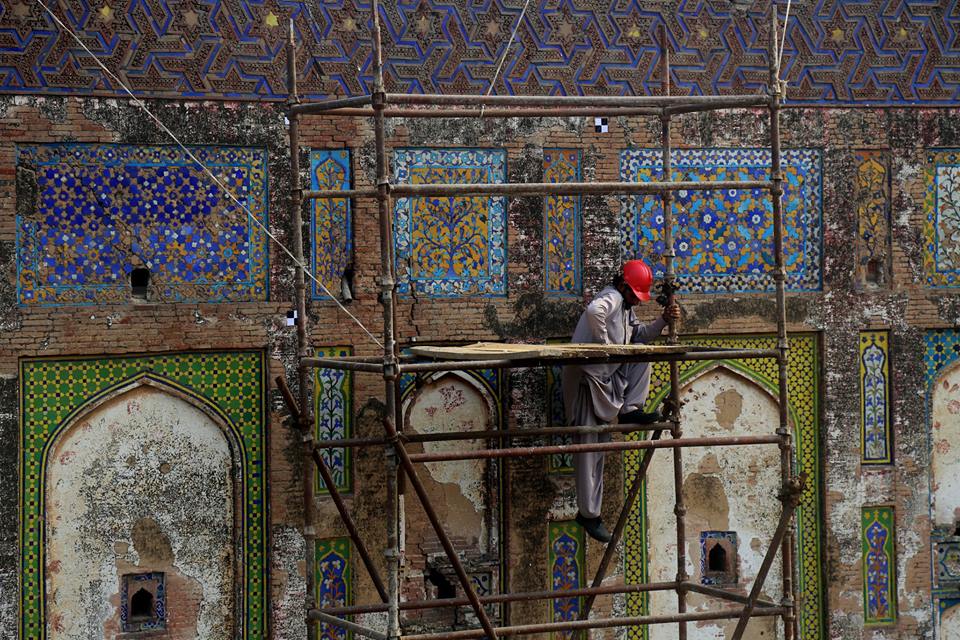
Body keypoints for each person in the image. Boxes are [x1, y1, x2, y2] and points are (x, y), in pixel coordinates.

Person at [562, 260, 681, 543]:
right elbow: (594, 311)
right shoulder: (612, 298)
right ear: (624, 286)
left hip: (605, 380)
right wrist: (606, 346)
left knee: (642, 351)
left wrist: (664, 319)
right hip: (586, 383)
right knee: (589, 450)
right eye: (633, 295)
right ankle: (589, 515)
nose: (634, 301)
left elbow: (639, 336)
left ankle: (631, 409)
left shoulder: (626, 310)